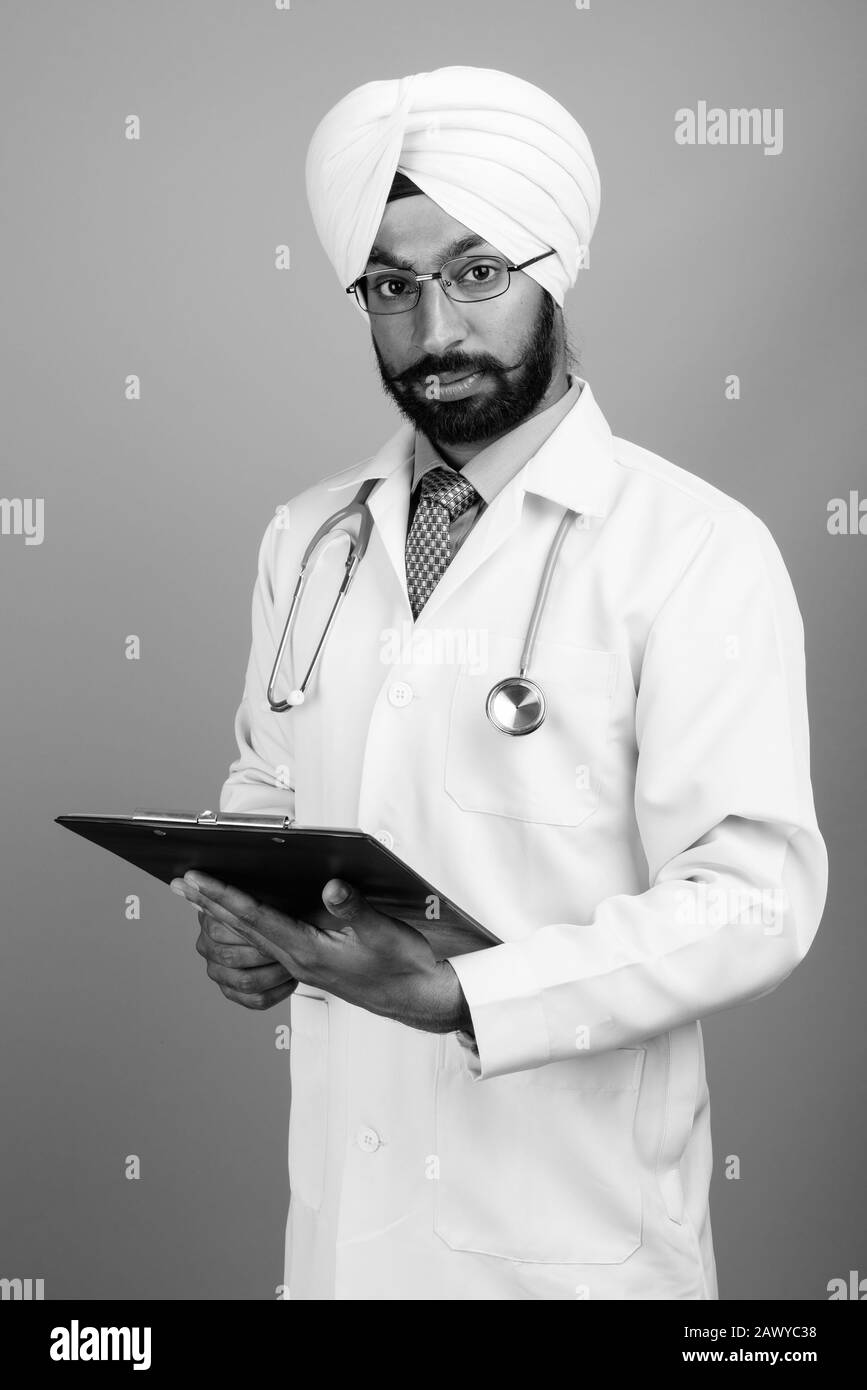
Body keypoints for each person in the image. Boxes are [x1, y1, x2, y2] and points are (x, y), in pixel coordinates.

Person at [174, 66, 828, 1300]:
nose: (435, 331)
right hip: (339, 1246)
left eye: (477, 273)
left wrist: (467, 993)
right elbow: (270, 771)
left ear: (551, 269)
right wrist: (244, 905)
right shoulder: (308, 536)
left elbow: (755, 898)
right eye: (391, 285)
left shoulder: (692, 546)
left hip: (572, 1254)